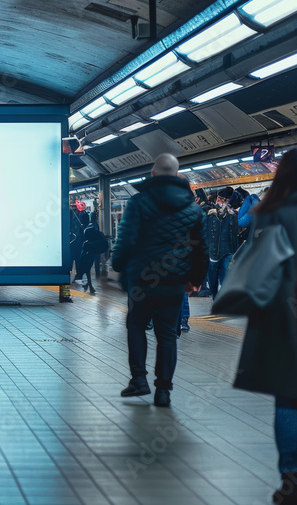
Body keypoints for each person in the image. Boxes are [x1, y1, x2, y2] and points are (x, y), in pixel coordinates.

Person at [232, 150, 297, 505]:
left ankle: (291, 480)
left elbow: (259, 268)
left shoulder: (265, 214)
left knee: (287, 399)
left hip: (277, 318)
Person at [112, 154, 207, 407]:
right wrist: (195, 279)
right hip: (174, 280)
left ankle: (139, 380)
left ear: (153, 174)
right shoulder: (194, 209)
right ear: (176, 176)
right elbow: (201, 248)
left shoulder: (138, 203)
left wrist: (118, 264)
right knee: (167, 335)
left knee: (136, 325)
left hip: (142, 279)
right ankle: (163, 391)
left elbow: (127, 239)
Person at [205, 186, 239, 300]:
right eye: (220, 198)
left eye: (224, 199)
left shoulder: (232, 215)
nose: (221, 201)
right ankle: (215, 295)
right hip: (212, 249)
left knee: (225, 273)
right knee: (212, 276)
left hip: (227, 249)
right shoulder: (208, 212)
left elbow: (235, 231)